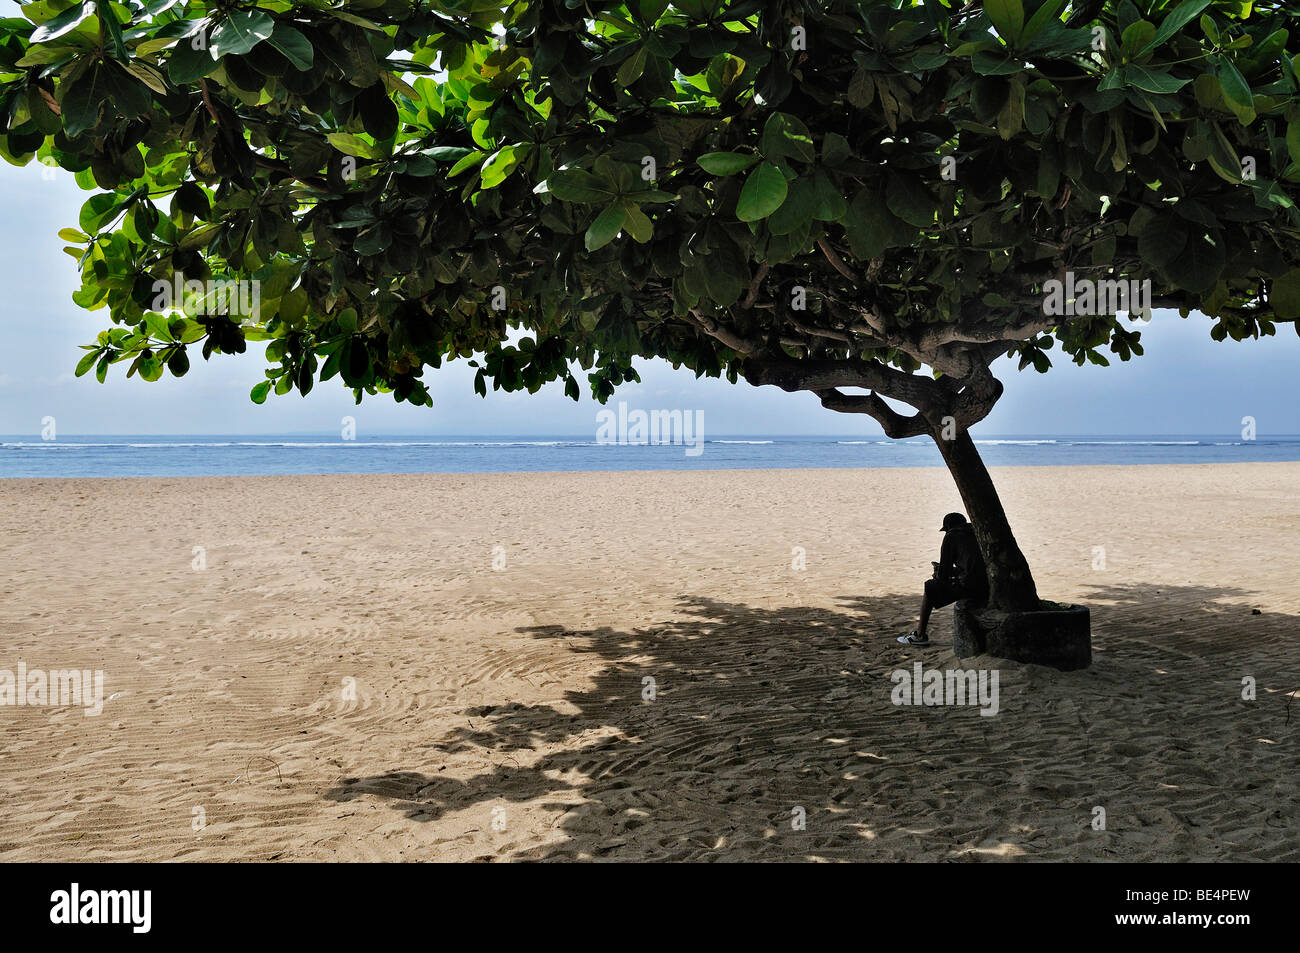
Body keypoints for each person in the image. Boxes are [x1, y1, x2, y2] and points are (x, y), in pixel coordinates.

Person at [898, 512, 988, 645]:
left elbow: (943, 575)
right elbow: (972, 564)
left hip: (972, 586)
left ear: (949, 527)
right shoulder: (977, 532)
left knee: (930, 587)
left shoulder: (951, 537)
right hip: (987, 582)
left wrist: (937, 573)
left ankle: (920, 635)